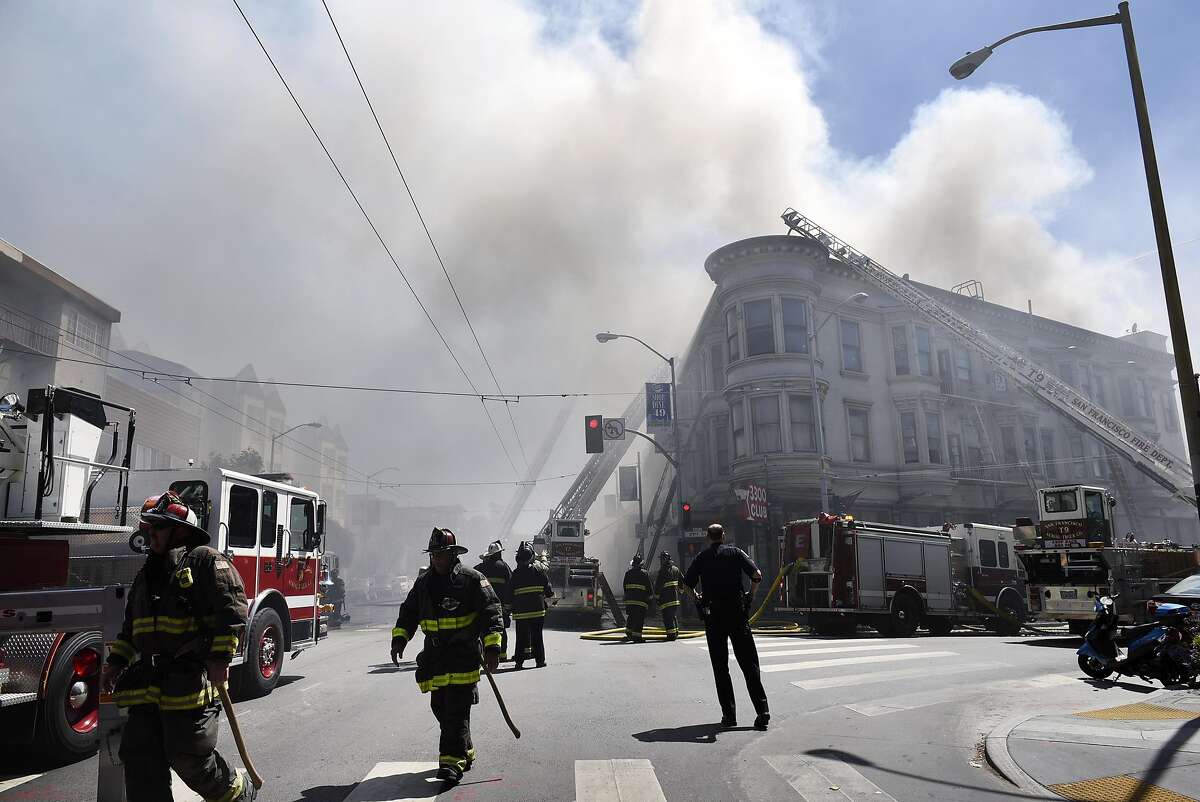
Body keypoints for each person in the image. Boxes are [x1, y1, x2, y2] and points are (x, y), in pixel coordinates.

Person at [100, 491, 256, 802]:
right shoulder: (147, 575)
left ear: (180, 531)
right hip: (147, 684)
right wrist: (116, 662)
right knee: (141, 763)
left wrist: (219, 658)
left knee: (189, 757)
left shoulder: (205, 561)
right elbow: (132, 628)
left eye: (157, 527)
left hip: (187, 681)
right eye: (147, 527)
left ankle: (238, 792)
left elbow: (233, 611)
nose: (149, 534)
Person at [390, 528, 503, 784]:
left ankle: (451, 764)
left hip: (463, 655)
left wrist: (493, 647)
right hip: (435, 658)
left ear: (452, 555)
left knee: (455, 710)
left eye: (441, 555)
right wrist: (400, 638)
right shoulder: (424, 583)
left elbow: (492, 613)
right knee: (439, 707)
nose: (436, 560)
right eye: (433, 555)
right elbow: (408, 612)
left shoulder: (472, 580)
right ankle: (466, 748)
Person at [682, 523, 769, 730]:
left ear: (707, 537)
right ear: (724, 535)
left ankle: (729, 716)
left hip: (714, 617)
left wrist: (698, 599)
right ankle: (762, 711)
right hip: (738, 614)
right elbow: (757, 575)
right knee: (749, 665)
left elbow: (686, 585)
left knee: (721, 668)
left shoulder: (702, 558)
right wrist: (750, 595)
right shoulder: (736, 553)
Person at [510, 541, 553, 669]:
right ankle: (540, 661)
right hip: (537, 611)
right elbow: (548, 588)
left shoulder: (515, 574)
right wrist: (549, 595)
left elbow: (509, 592)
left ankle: (519, 662)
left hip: (521, 612)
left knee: (521, 638)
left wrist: (509, 607)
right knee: (537, 637)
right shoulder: (538, 571)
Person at [474, 540, 513, 661]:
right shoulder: (504, 567)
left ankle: (485, 653)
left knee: (484, 629)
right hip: (500, 605)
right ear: (499, 553)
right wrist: (509, 605)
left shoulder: (480, 568)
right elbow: (511, 586)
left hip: (483, 604)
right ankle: (502, 655)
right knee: (501, 629)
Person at [654, 550, 683, 641]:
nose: (660, 561)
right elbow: (682, 581)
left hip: (666, 600)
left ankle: (671, 635)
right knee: (673, 616)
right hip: (675, 599)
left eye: (662, 559)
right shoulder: (676, 569)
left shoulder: (662, 571)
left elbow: (658, 586)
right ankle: (676, 632)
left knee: (667, 618)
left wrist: (657, 598)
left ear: (664, 560)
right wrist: (680, 591)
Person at [623, 554, 651, 642]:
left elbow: (624, 586)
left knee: (631, 617)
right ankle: (637, 637)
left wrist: (628, 596)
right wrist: (649, 598)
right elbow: (649, 588)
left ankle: (629, 634)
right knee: (639, 619)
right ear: (641, 564)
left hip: (630, 601)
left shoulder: (628, 573)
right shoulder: (644, 573)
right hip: (641, 601)